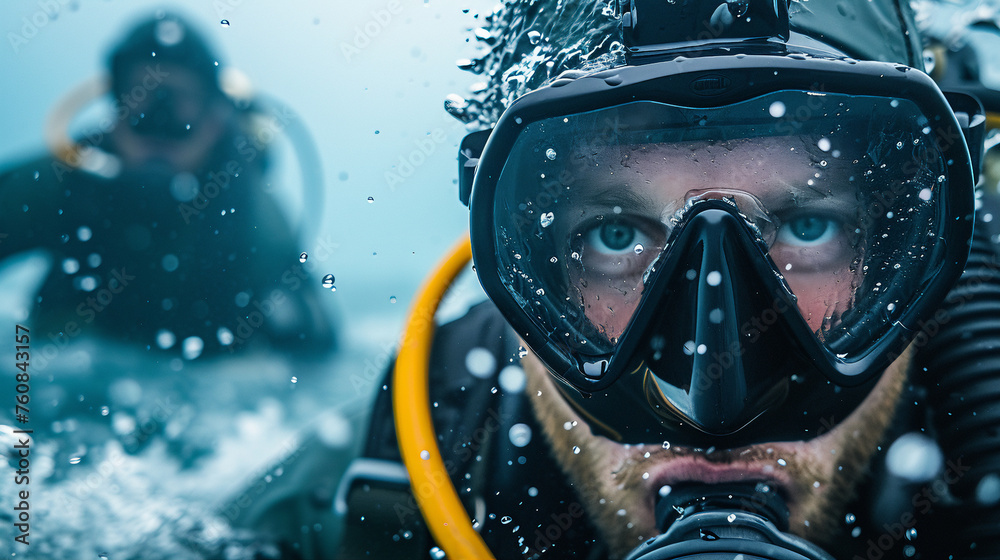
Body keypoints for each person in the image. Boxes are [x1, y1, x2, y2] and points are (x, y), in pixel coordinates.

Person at [333, 1, 1000, 559]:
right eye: (614, 235)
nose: (715, 401)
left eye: (807, 228)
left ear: (911, 255)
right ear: (522, 270)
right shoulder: (427, 449)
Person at [0, 12, 336, 360]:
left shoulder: (246, 206)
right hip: (63, 365)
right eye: (141, 98)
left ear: (215, 123)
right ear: (114, 115)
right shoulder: (73, 180)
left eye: (181, 100)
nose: (160, 119)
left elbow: (315, 341)